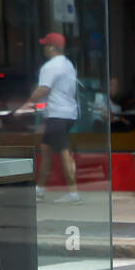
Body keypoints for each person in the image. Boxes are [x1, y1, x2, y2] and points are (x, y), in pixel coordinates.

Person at [22, 32, 80, 204]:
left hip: (57, 114)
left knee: (63, 152)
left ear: (52, 48)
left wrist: (27, 103)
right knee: (46, 149)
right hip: (68, 113)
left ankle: (74, 193)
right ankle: (39, 191)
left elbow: (43, 89)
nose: (43, 48)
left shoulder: (50, 67)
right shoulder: (68, 64)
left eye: (45, 45)